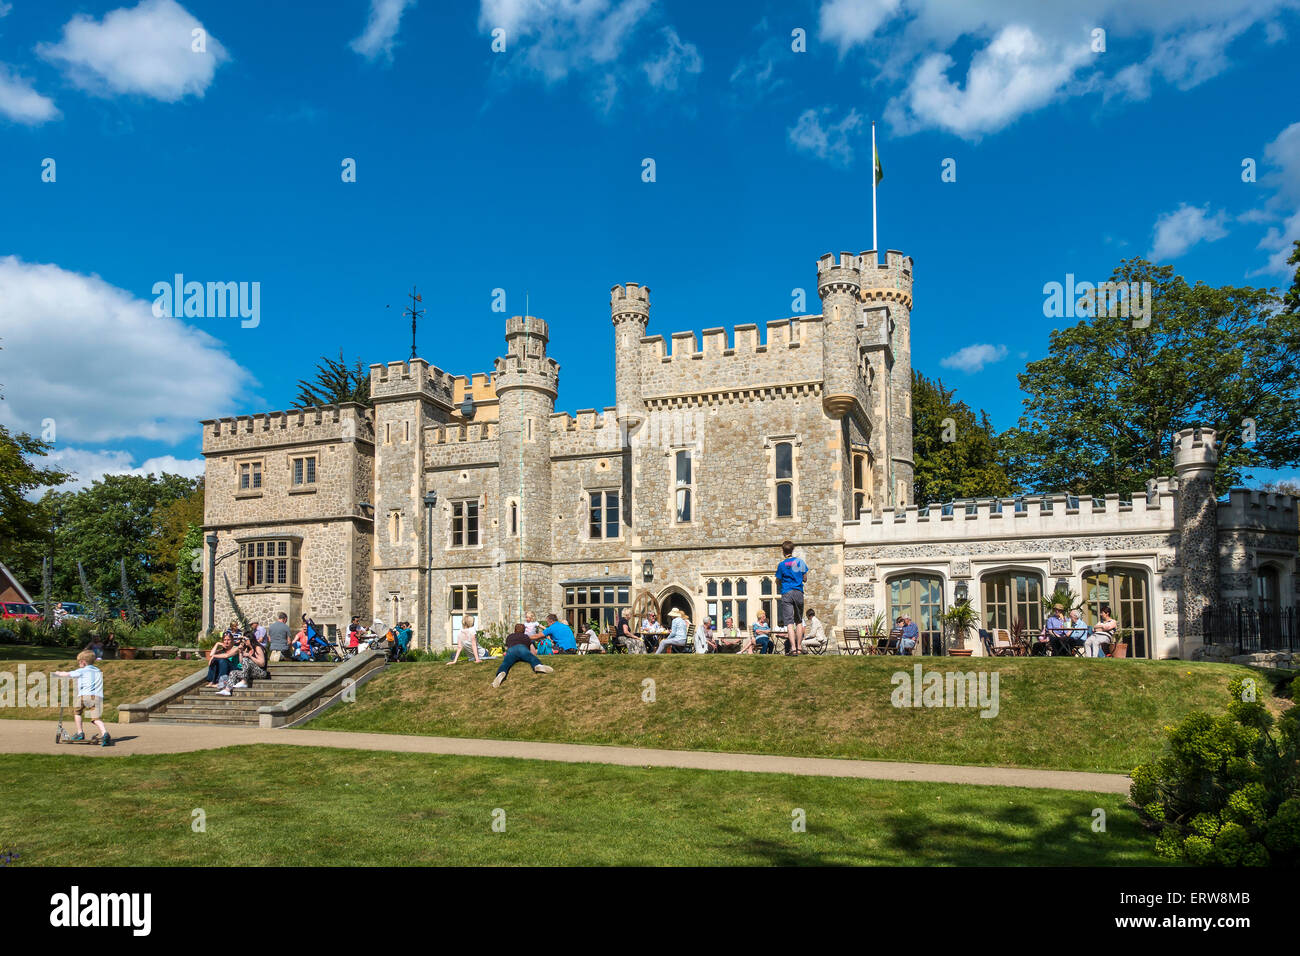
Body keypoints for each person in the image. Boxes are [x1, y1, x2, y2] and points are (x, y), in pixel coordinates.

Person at [52, 651, 112, 746]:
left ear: (83, 662)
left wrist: (58, 673)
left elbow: (67, 674)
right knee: (96, 718)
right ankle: (105, 733)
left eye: (79, 662)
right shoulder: (98, 671)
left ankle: (80, 733)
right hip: (97, 697)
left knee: (77, 712)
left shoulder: (82, 670)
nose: (78, 664)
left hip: (85, 695)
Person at [492, 622, 555, 687]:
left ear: (514, 630)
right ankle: (537, 665)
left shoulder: (509, 637)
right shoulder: (526, 637)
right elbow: (532, 650)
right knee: (531, 658)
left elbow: (508, 648)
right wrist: (534, 655)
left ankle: (501, 673)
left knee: (505, 663)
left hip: (511, 650)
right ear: (524, 631)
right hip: (522, 648)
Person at [776, 540, 809, 655]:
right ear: (792, 550)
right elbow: (805, 578)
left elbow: (778, 580)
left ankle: (793, 648)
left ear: (783, 551)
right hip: (798, 592)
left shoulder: (781, 565)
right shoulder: (800, 562)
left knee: (789, 622)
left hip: (787, 592)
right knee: (799, 621)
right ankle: (799, 647)